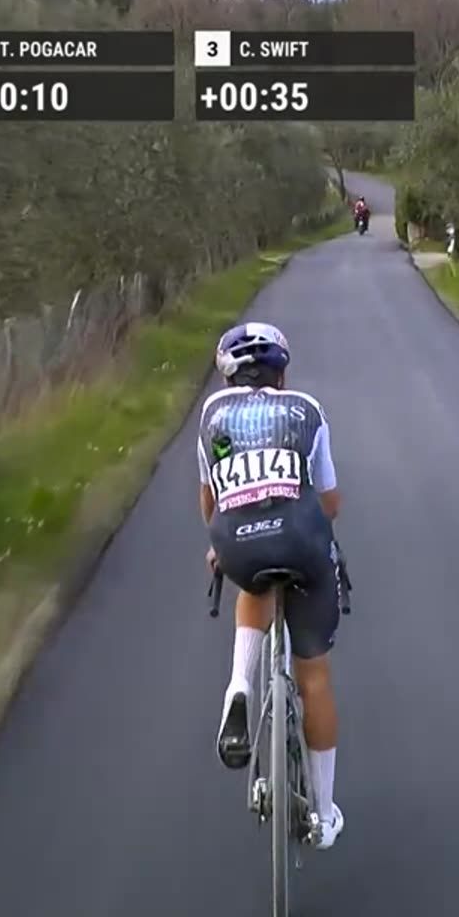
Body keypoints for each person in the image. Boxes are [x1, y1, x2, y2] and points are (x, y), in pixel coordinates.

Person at [197, 321, 346, 849]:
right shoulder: (307, 408)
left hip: (239, 540)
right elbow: (329, 501)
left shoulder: (212, 416)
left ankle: (239, 683)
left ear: (227, 376)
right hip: (302, 540)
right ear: (282, 372)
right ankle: (323, 816)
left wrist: (224, 544)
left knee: (251, 576)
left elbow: (212, 503)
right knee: (315, 680)